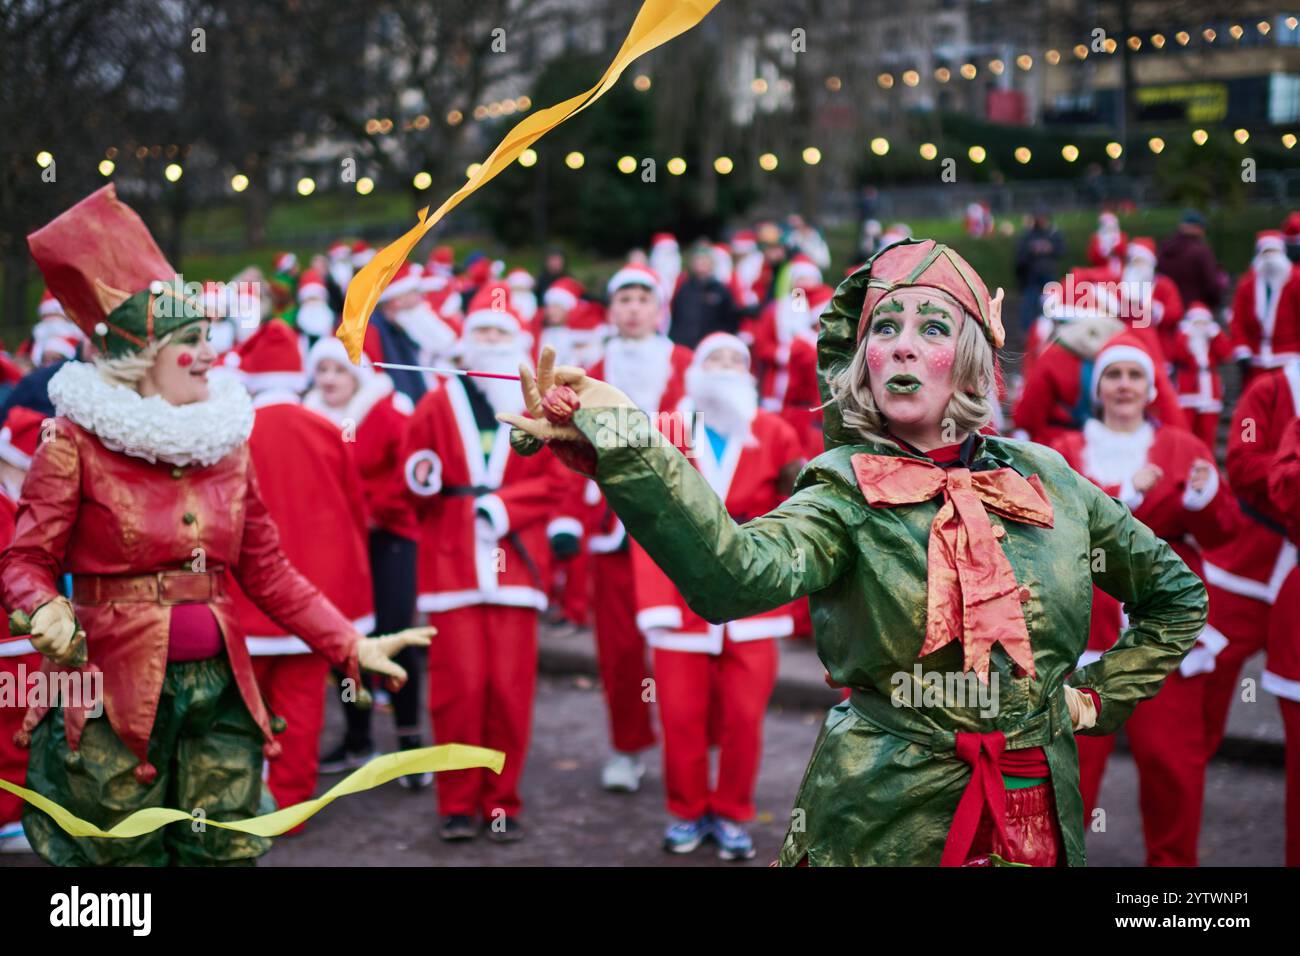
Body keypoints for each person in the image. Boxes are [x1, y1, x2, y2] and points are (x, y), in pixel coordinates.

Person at [503, 238, 1206, 866]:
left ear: (969, 362)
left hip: (1034, 815)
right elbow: (732, 579)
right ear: (861, 363)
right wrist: (629, 442)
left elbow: (1175, 597)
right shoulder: (843, 489)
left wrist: (1090, 699)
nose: (902, 345)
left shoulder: (1051, 478)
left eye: (932, 328)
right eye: (886, 329)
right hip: (877, 817)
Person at [2, 186, 427, 866]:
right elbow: (23, 562)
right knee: (120, 861)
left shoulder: (226, 444)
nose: (209, 353)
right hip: (112, 699)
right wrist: (43, 606)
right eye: (190, 341)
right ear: (140, 355)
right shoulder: (72, 444)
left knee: (223, 850)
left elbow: (267, 569)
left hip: (221, 697)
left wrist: (347, 642)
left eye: (209, 337)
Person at [1052, 341, 1237, 866]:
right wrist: (1121, 492)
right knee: (1071, 769)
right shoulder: (1065, 447)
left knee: (1172, 766)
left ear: (1152, 387)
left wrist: (1206, 497)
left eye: (1136, 374)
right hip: (1085, 629)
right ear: (1099, 388)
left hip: (1164, 631)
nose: (1126, 384)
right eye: (1114, 374)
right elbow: (1051, 519)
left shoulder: (1182, 445)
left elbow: (1224, 531)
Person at [401, 289, 574, 843]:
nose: (491, 342)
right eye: (483, 334)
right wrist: (420, 476)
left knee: (508, 692)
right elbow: (413, 473)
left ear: (519, 344)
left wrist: (503, 507)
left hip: (515, 571)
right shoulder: (435, 401)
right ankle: (456, 804)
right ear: (466, 342)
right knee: (457, 691)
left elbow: (557, 482)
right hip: (450, 568)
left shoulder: (542, 409)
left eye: (501, 334)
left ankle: (501, 802)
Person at [635, 333, 804, 859]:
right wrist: (655, 602)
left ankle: (732, 812)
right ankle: (686, 811)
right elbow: (645, 513)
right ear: (696, 371)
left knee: (743, 717)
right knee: (681, 717)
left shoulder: (773, 431)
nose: (727, 367)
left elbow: (802, 507)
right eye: (716, 359)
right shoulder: (665, 429)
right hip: (681, 593)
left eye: (736, 359)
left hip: (754, 601)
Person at [226, 320, 376, 818]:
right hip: (317, 592)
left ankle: (240, 801)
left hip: (246, 593)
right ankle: (290, 803)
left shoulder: (230, 431)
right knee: (304, 700)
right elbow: (356, 510)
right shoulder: (327, 429)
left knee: (242, 705)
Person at [581, 263, 692, 792]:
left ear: (658, 307)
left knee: (684, 642)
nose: (632, 308)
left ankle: (692, 745)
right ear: (610, 309)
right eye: (622, 298)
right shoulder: (587, 371)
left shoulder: (689, 364)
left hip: (679, 524)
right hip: (610, 525)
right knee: (620, 648)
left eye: (641, 298)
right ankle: (627, 747)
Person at [302, 338, 426, 783]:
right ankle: (358, 738)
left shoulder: (388, 411)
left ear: (357, 374)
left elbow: (408, 475)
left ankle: (410, 743)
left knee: (395, 635)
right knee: (344, 639)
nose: (331, 379)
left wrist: (367, 510)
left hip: (389, 537)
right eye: (323, 370)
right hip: (336, 544)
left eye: (340, 370)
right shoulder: (308, 416)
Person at [0, 407, 44, 853]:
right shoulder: (5, 506)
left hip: (15, 638)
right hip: (10, 641)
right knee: (15, 727)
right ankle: (9, 818)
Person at [1228, 230, 1300, 381]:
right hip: (1256, 361)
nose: (1269, 258)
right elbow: (1237, 321)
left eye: (1273, 252)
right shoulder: (1247, 285)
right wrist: (1242, 349)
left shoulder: (1295, 281)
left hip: (1290, 359)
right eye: (1265, 252)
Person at [1168, 303, 1232, 449]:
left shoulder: (1211, 339)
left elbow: (1226, 353)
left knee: (1208, 434)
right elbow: (1178, 354)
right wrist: (1186, 333)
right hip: (1188, 390)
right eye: (1197, 322)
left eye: (1204, 322)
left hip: (1209, 389)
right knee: (1186, 430)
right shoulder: (1184, 337)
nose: (1200, 326)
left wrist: (1215, 333)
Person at [669, 242, 737, 349]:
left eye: (705, 259)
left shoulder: (721, 290)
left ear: (712, 262)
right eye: (698, 259)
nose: (702, 263)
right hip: (684, 344)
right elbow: (676, 316)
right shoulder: (684, 288)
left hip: (711, 346)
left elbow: (730, 319)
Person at [1157, 210, 1226, 313]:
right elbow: (1212, 285)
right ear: (1198, 228)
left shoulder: (1165, 248)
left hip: (1169, 309)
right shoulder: (1201, 252)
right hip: (1195, 312)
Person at [1013, 209, 1065, 333]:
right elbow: (1020, 256)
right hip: (1032, 274)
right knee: (1030, 303)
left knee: (1051, 304)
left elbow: (1062, 250)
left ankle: (1052, 330)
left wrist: (1050, 248)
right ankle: (1028, 332)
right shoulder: (1028, 235)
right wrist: (1032, 249)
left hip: (1049, 273)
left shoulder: (1053, 233)